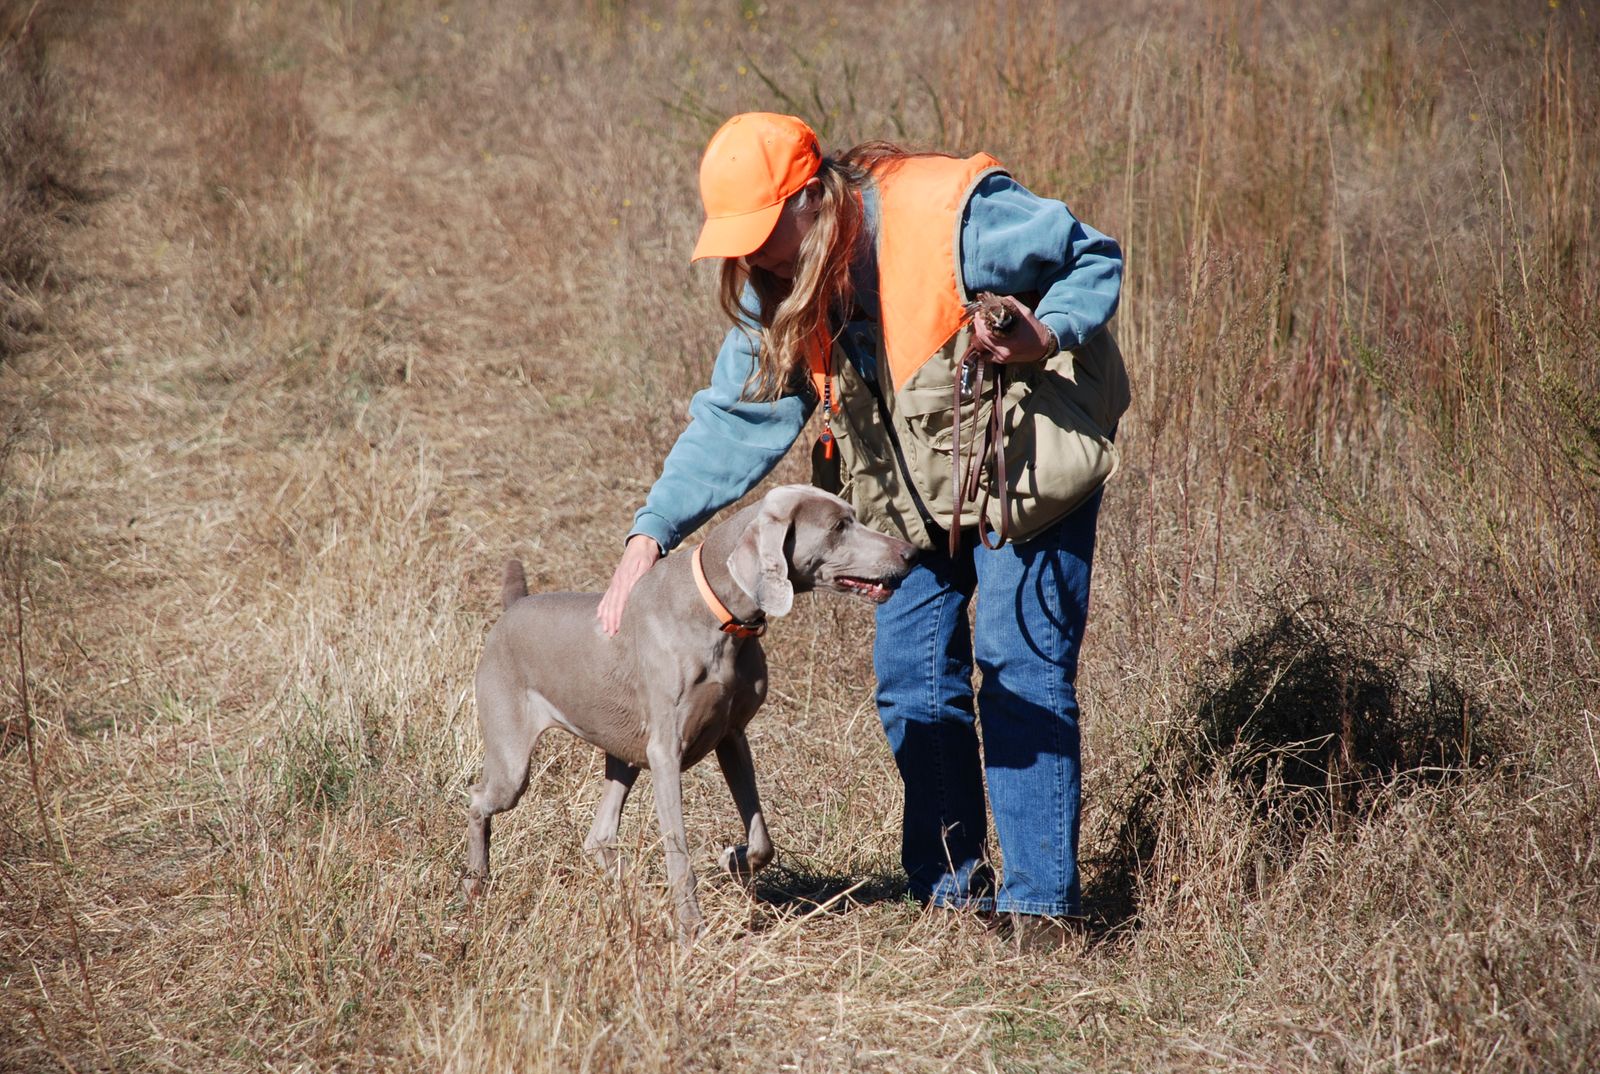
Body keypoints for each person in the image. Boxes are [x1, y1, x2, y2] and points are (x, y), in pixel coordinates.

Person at [597, 112, 1129, 950]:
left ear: (813, 197)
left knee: (1016, 669)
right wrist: (649, 534)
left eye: (764, 234)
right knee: (911, 676)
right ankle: (954, 899)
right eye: (737, 243)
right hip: (911, 501)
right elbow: (736, 419)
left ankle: (1040, 915)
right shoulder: (784, 286)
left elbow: (1094, 255)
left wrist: (1042, 332)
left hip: (1024, 476)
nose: (753, 260)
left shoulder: (952, 214)